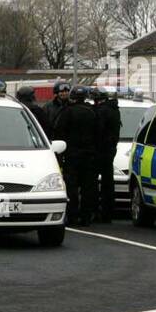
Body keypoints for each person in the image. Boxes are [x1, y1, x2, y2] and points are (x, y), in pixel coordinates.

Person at [53, 86, 98, 226]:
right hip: (89, 155)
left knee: (71, 186)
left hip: (72, 154)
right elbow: (99, 132)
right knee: (88, 186)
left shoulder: (67, 112)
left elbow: (59, 131)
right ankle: (86, 216)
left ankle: (72, 215)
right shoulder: (92, 112)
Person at [92, 89, 122, 223]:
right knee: (108, 182)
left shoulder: (102, 111)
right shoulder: (115, 110)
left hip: (99, 150)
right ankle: (108, 212)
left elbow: (98, 131)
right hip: (110, 149)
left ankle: (96, 211)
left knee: (92, 182)